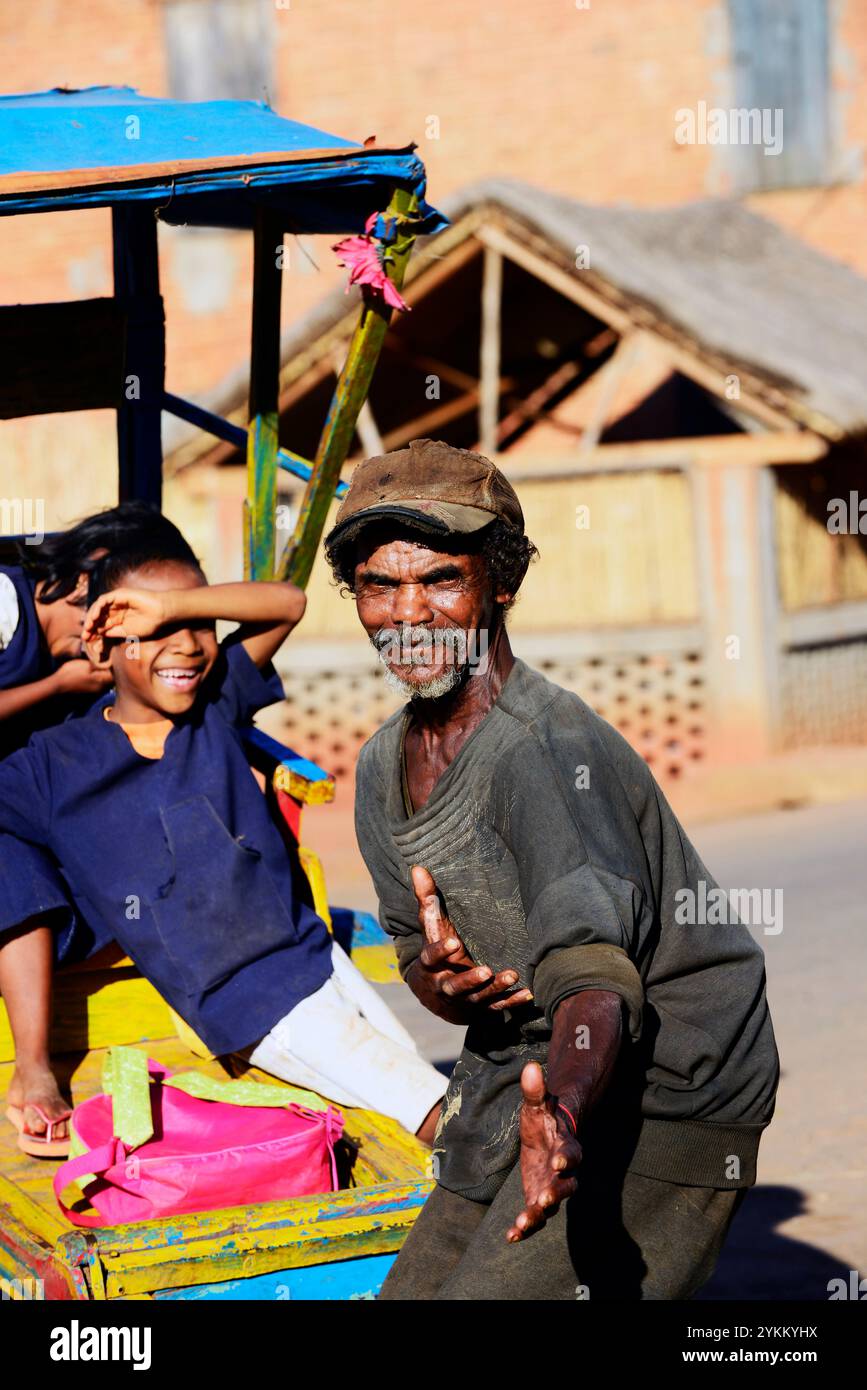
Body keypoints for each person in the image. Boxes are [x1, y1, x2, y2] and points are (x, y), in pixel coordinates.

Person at [323, 437, 780, 1300]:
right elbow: (416, 960)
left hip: (662, 1088)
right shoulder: (385, 765)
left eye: (441, 580)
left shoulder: (543, 749)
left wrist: (562, 1110)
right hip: (522, 1077)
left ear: (499, 582)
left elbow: (595, 975)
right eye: (379, 585)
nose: (407, 613)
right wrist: (442, 983)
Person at [0, 523, 447, 1155]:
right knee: (430, 1109)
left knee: (425, 1099)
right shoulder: (52, 764)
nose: (183, 645)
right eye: (151, 632)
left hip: (313, 957)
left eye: (197, 622)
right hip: (243, 1000)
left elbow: (289, 602)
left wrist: (170, 606)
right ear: (100, 646)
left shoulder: (215, 704)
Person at [0, 503, 180, 1153]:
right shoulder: (4, 607)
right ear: (85, 583)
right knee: (12, 872)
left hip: (23, 808)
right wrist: (54, 686)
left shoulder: (98, 664)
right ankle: (32, 1068)